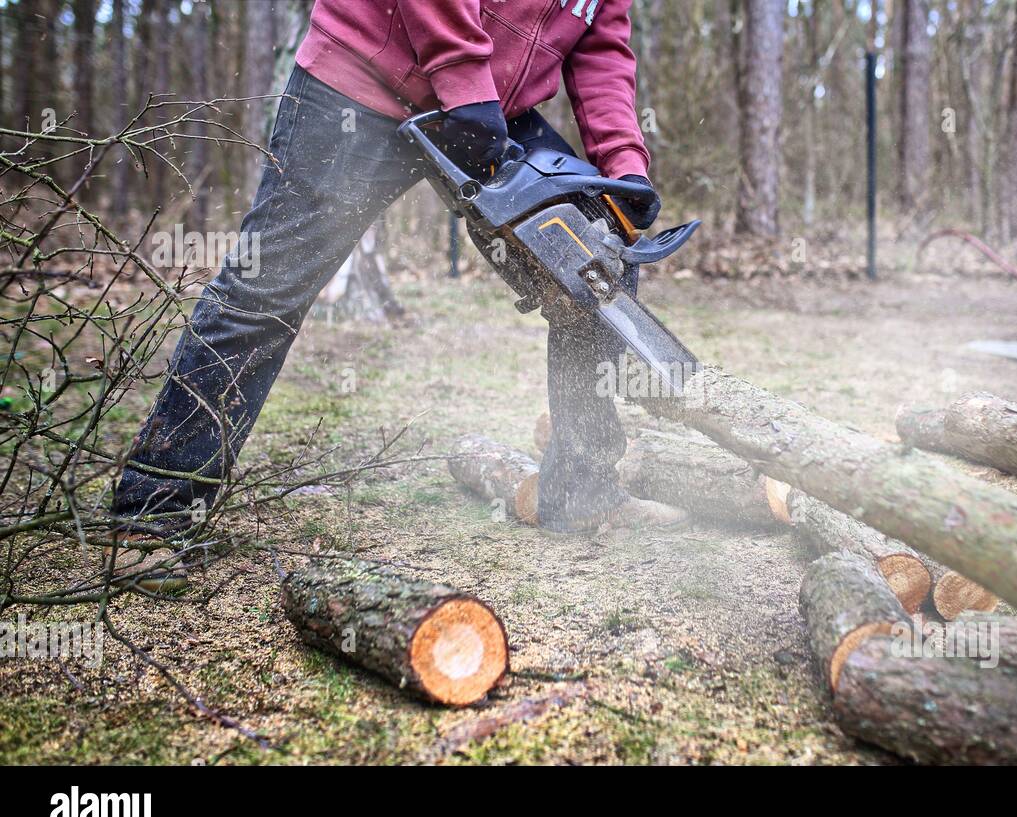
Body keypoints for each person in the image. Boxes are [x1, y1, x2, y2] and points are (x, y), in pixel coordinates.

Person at [109, 0, 688, 593]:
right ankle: (155, 511)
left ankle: (584, 491)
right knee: (266, 289)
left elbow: (600, 49)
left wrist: (624, 165)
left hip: (490, 108)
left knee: (592, 263)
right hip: (364, 82)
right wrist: (464, 84)